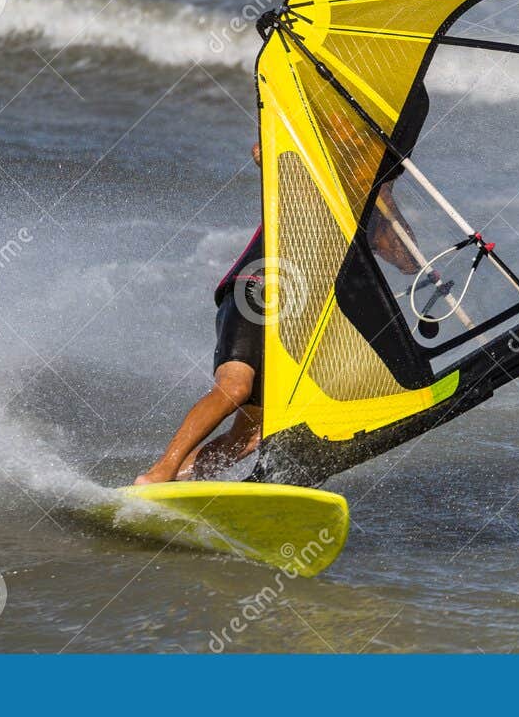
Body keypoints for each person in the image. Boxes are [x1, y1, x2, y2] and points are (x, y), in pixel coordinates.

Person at [136, 141, 419, 484]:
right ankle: (160, 471)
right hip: (257, 288)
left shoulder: (373, 215)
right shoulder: (313, 179)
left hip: (295, 318)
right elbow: (263, 150)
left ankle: (173, 484)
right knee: (236, 387)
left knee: (252, 435)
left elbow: (408, 262)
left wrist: (384, 195)